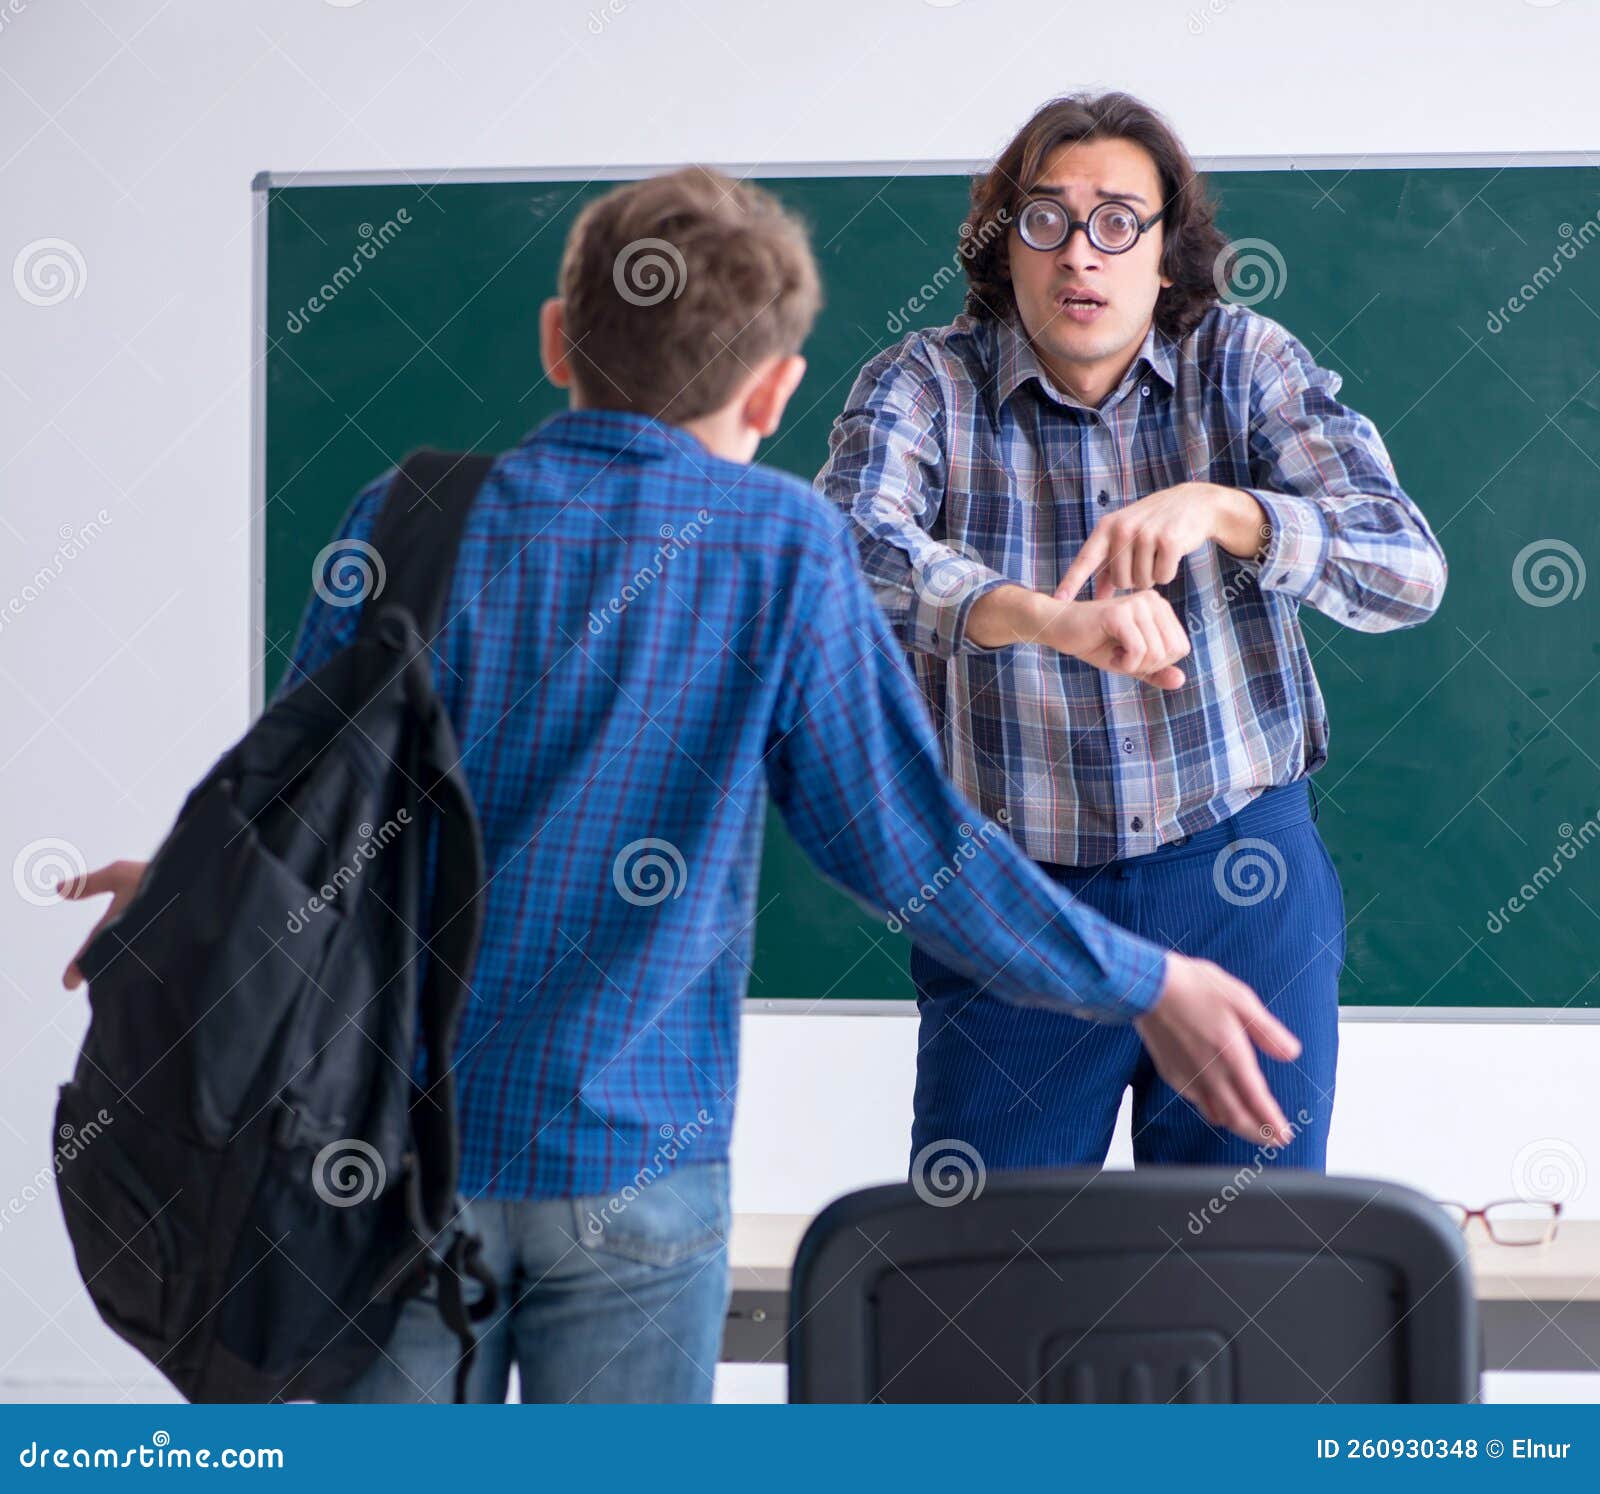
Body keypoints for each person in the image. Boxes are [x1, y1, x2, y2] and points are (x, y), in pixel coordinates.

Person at [59, 166, 1297, 1404]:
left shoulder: (406, 515)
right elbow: (915, 858)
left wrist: (184, 888)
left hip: (388, 1161)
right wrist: (1149, 977)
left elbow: (301, 807)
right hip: (635, 1170)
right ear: (774, 389)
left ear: (557, 340)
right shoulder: (780, 545)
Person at [821, 92, 1446, 1176]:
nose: (1080, 254)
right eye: (1045, 219)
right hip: (1011, 898)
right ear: (1003, 248)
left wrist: (1228, 510)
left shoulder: (1245, 361)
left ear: (1167, 255)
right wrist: (1039, 618)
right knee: (982, 1280)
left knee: (1244, 1272)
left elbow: (1407, 568)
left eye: (1118, 220)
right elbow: (837, 556)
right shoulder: (922, 380)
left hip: (1239, 877)